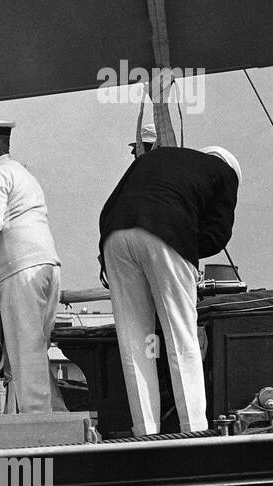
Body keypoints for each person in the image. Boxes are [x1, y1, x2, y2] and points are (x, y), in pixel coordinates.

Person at [99, 144, 240, 434]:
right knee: (181, 337)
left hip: (115, 235)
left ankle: (145, 430)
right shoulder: (225, 173)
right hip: (167, 234)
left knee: (134, 342)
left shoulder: (157, 158)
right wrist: (185, 250)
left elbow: (110, 206)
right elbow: (218, 233)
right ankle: (194, 429)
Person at [0, 119, 61, 413]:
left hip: (20, 271)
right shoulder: (22, 173)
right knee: (36, 352)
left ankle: (37, 432)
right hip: (46, 265)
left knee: (24, 354)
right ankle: (47, 419)